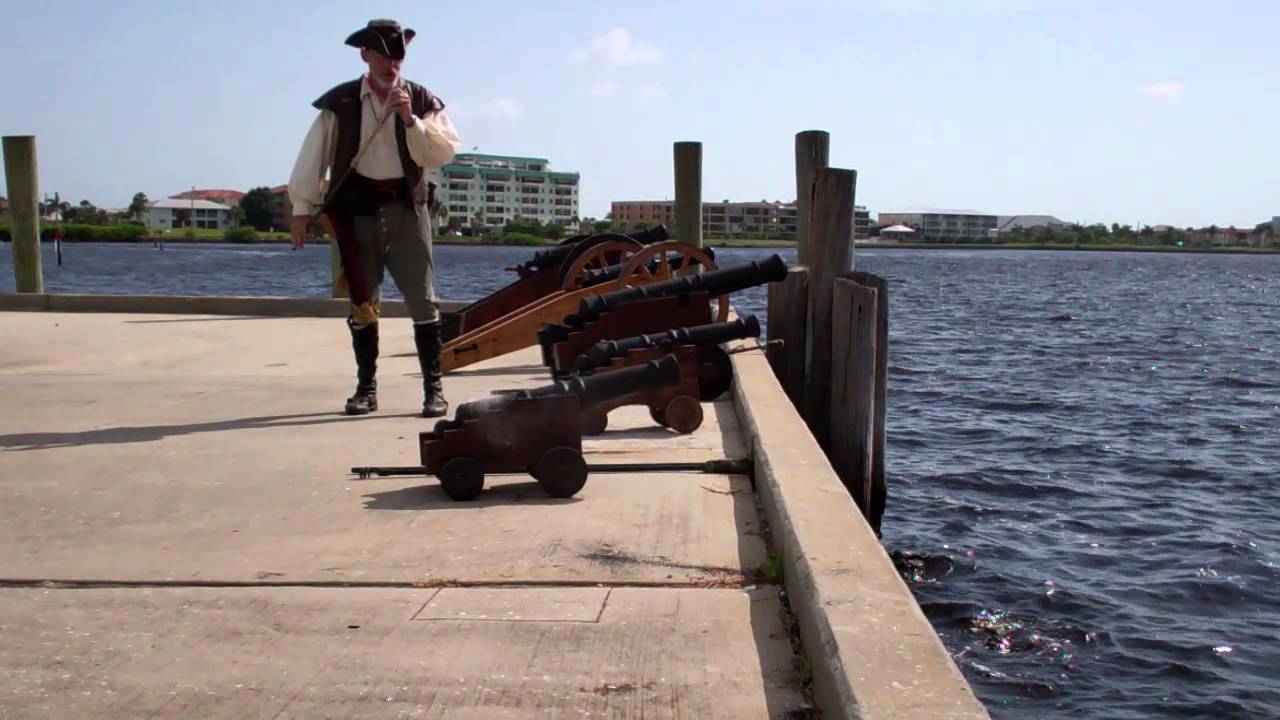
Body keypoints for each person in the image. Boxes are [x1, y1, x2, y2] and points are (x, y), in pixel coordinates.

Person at [287, 19, 461, 418]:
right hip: (355, 210)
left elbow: (440, 154)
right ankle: (366, 389)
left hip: (406, 206)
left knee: (423, 299)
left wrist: (410, 120)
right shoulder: (342, 102)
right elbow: (314, 156)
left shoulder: (421, 100)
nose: (391, 63)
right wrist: (302, 209)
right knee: (363, 301)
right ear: (366, 55)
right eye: (383, 54)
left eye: (397, 55)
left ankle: (433, 389)